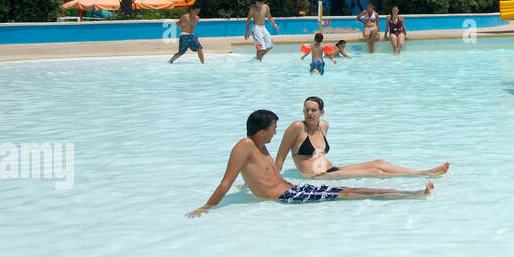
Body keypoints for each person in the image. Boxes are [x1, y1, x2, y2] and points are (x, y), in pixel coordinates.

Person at [185, 110, 433, 216]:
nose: (274, 134)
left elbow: (255, 175)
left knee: (352, 192)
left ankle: (409, 193)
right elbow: (226, 181)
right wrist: (206, 207)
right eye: (272, 129)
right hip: (289, 196)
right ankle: (411, 194)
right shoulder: (245, 146)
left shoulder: (260, 148)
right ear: (260, 131)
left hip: (294, 189)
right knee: (351, 194)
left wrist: (246, 188)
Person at [274, 96, 450, 179]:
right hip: (316, 176)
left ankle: (424, 172)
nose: (309, 113)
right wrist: (272, 180)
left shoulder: (324, 126)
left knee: (380, 162)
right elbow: (280, 157)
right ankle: (422, 176)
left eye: (314, 110)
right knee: (375, 172)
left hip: (331, 170)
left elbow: (320, 155)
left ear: (322, 112)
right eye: (306, 109)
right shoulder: (297, 127)